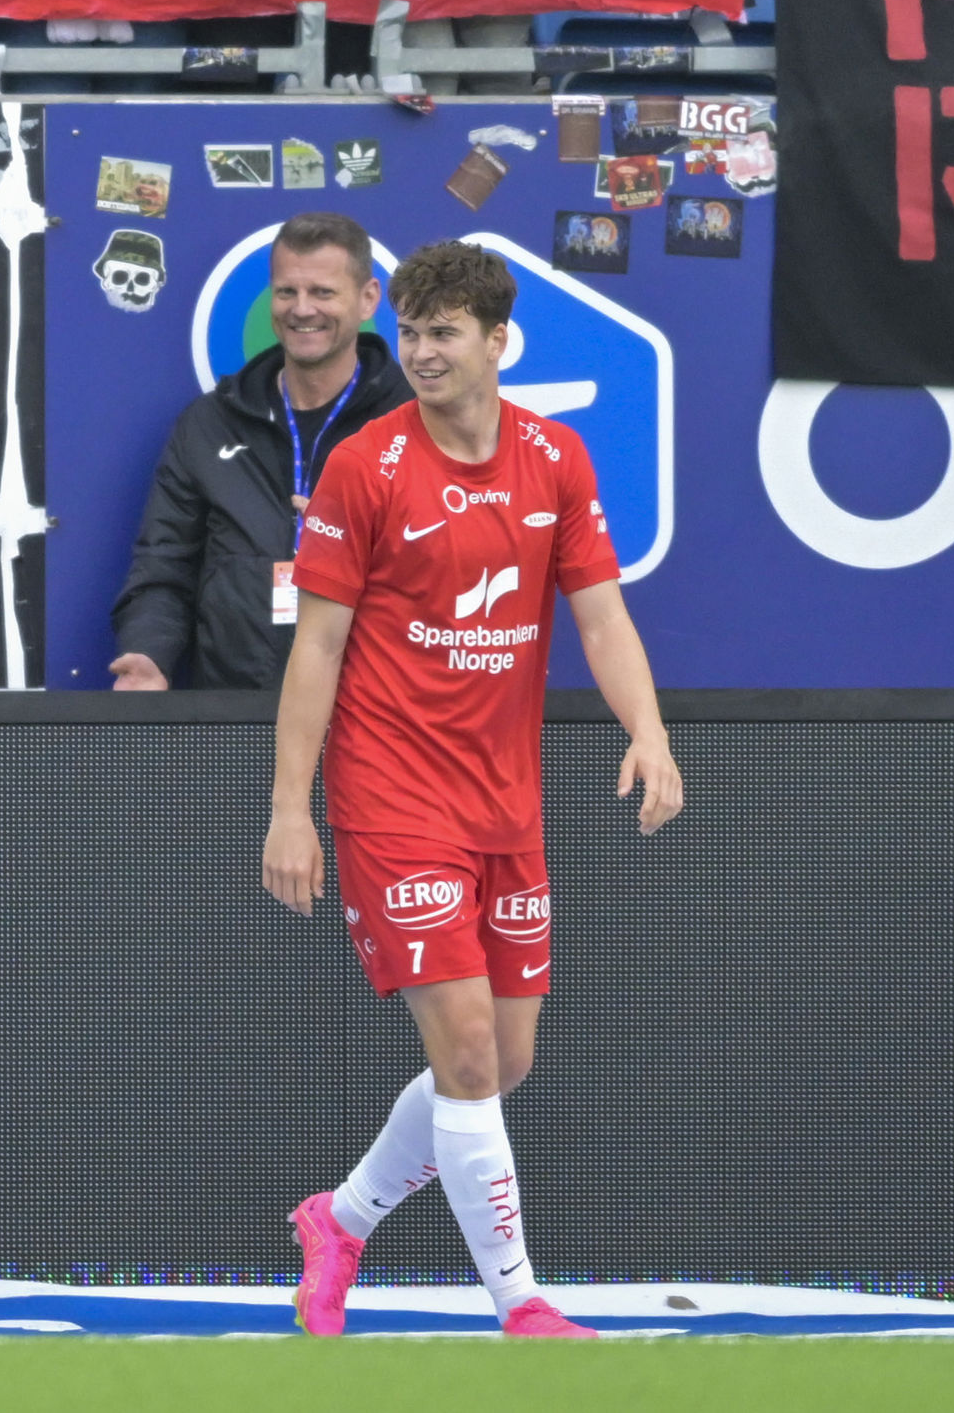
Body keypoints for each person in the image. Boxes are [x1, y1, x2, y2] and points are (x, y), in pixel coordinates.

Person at [269, 236, 683, 1340]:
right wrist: (287, 808)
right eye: (409, 331)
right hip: (391, 793)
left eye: (444, 331)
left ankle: (339, 1217)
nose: (422, 352)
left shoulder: (556, 458)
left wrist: (648, 731)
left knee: (502, 1060)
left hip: (506, 799)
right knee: (461, 1054)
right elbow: (315, 648)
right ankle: (523, 1300)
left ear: (500, 341)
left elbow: (600, 613)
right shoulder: (367, 464)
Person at [110, 211, 406, 692]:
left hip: (377, 712)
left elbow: (452, 570)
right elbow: (164, 566)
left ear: (368, 298)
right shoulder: (209, 424)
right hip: (236, 711)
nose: (302, 309)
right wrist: (149, 653)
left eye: (323, 292)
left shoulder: (414, 424)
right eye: (288, 291)